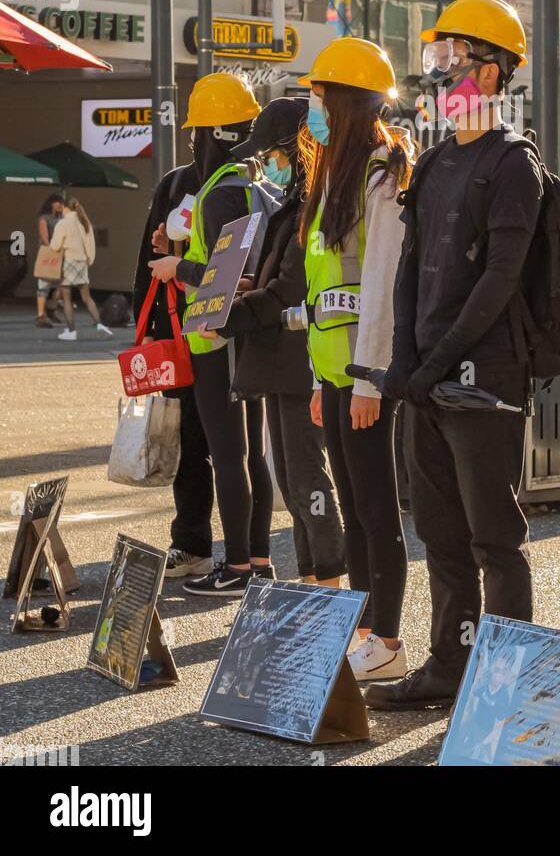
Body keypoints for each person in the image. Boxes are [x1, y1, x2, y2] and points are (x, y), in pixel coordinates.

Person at [366, 0, 544, 712]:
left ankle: (506, 680)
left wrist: (438, 362)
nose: (439, 76)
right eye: (436, 61)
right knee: (438, 533)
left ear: (495, 74)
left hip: (483, 381)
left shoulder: (512, 164)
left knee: (493, 537)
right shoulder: (435, 164)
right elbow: (411, 271)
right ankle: (451, 662)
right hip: (430, 383)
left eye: (455, 61)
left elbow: (502, 278)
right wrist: (407, 360)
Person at [299, 38, 413, 681]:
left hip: (367, 374)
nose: (313, 108)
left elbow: (381, 283)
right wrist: (324, 377)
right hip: (337, 373)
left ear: (344, 101)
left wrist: (370, 378)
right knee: (352, 502)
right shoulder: (333, 177)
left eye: (319, 96)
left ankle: (389, 642)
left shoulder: (382, 173)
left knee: (376, 508)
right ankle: (365, 628)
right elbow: (325, 291)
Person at [149, 72, 275, 599]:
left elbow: (220, 280)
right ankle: (259, 562)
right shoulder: (255, 185)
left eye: (194, 133)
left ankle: (239, 568)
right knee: (253, 456)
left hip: (215, 341)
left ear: (207, 135)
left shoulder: (220, 194)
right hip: (248, 339)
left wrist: (175, 266)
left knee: (230, 456)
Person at [216, 96, 346, 588]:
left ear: (296, 149)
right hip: (284, 360)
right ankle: (314, 584)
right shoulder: (300, 199)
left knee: (309, 481)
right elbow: (280, 281)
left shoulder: (314, 202)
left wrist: (229, 315)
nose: (269, 163)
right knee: (294, 486)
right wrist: (246, 292)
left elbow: (290, 289)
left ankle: (332, 591)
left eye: (274, 153)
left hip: (302, 359)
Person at [133, 152, 214, 580]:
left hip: (232, 330)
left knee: (239, 450)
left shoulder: (246, 178)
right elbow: (148, 255)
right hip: (178, 334)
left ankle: (249, 556)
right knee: (188, 442)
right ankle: (191, 543)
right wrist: (145, 325)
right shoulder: (176, 181)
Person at [51, 199, 111, 341]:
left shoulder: (63, 223)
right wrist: (89, 260)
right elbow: (90, 245)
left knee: (66, 298)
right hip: (83, 262)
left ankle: (71, 332)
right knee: (87, 297)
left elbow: (55, 246)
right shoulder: (84, 221)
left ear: (66, 208)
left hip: (69, 262)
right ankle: (101, 325)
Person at [35, 192, 65, 327]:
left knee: (60, 286)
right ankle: (41, 315)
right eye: (58, 202)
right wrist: (53, 249)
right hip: (48, 255)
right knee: (44, 285)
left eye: (62, 202)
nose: (60, 205)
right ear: (51, 203)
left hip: (60, 255)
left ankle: (51, 310)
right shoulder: (44, 218)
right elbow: (44, 238)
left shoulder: (63, 219)